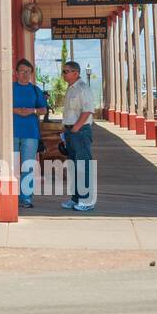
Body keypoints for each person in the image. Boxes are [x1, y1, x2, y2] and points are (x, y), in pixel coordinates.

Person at [60, 60, 96, 211]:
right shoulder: (70, 89)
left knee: (83, 166)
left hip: (80, 132)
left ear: (76, 73)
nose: (63, 74)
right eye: (63, 71)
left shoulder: (83, 88)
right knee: (73, 166)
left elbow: (87, 110)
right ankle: (76, 199)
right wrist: (65, 130)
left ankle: (87, 201)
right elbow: (69, 112)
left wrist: (75, 128)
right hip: (70, 132)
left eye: (66, 71)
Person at [12, 59, 47, 208]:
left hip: (31, 133)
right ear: (16, 73)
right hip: (12, 132)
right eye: (22, 71)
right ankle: (11, 196)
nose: (25, 74)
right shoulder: (10, 88)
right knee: (11, 165)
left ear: (32, 73)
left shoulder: (35, 90)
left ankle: (26, 198)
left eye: (28, 71)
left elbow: (43, 109)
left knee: (28, 166)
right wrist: (14, 110)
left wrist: (31, 111)